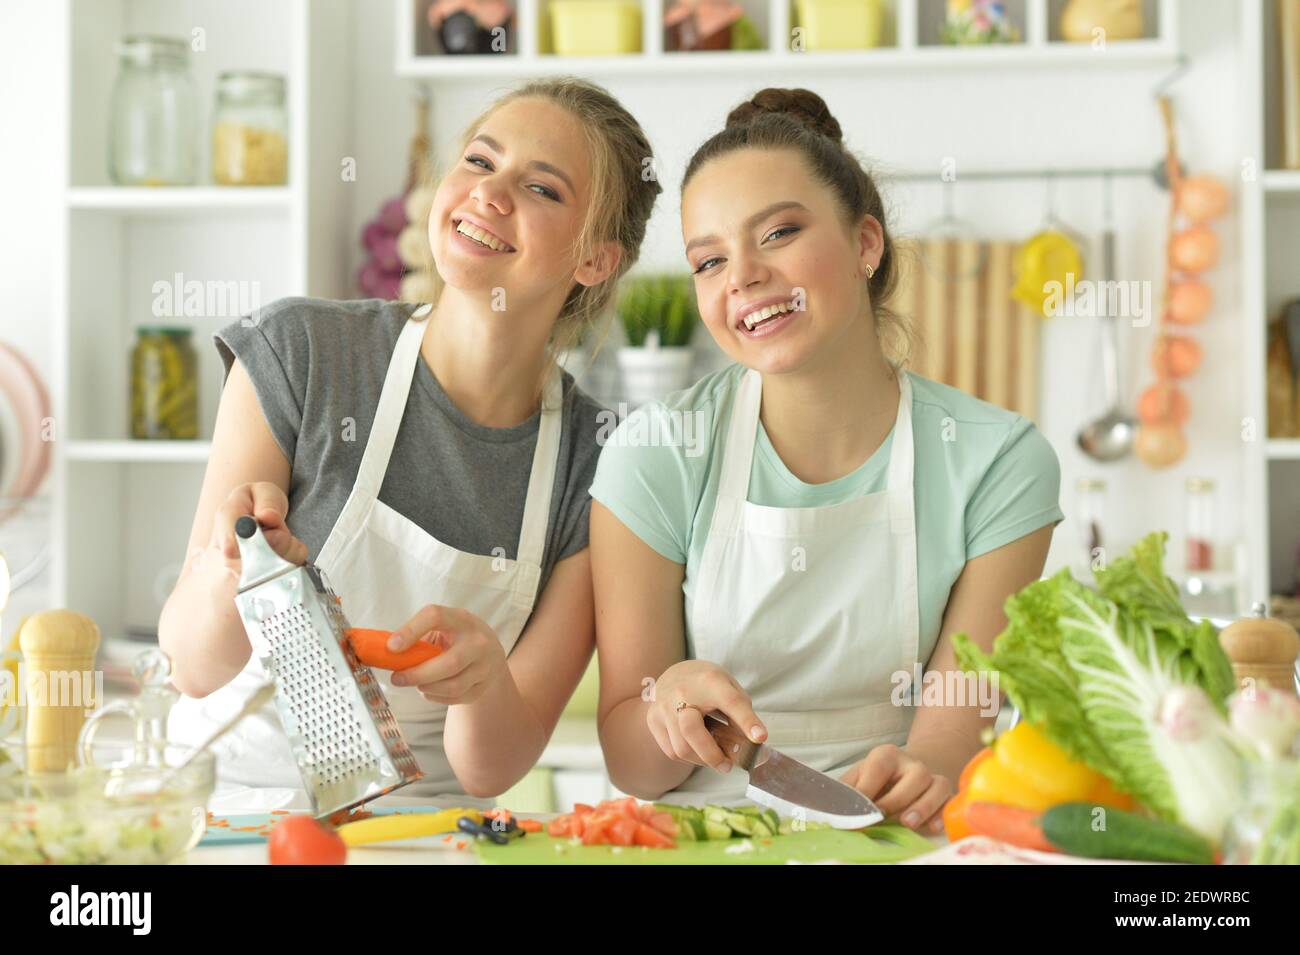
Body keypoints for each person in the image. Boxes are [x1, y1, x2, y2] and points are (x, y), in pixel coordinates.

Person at [161, 78, 660, 806]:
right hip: (221, 806)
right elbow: (190, 665)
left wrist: (486, 682)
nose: (490, 194)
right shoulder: (302, 354)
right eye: (481, 162)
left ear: (595, 260)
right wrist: (232, 573)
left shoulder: (596, 462)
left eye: (543, 189)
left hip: (419, 832)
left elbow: (494, 768)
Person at [589, 88, 1062, 833]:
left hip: (898, 839)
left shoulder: (997, 461)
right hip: (709, 841)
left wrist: (924, 770)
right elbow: (630, 761)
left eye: (778, 233)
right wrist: (663, 706)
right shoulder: (652, 455)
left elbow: (948, 737)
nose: (741, 276)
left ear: (866, 245)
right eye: (709, 259)